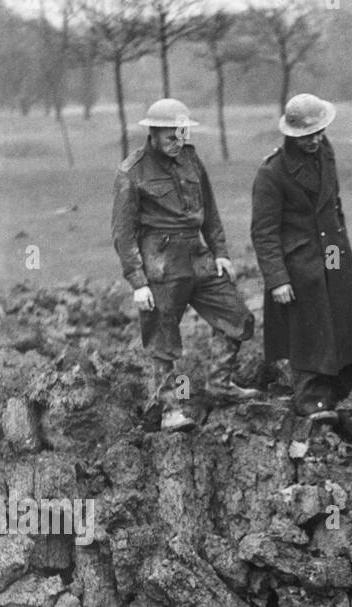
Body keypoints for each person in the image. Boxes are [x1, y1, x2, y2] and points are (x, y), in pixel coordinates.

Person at [112, 98, 256, 432]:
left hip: (199, 256)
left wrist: (220, 252)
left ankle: (221, 383)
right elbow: (123, 233)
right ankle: (171, 409)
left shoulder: (191, 159)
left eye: (182, 134)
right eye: (170, 136)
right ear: (154, 133)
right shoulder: (132, 171)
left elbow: (212, 211)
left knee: (236, 317)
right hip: (161, 263)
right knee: (163, 340)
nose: (177, 142)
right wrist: (138, 282)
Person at [251, 95, 352, 422]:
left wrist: (341, 241)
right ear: (291, 133)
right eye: (308, 135)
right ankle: (312, 397)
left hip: (331, 251)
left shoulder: (325, 152)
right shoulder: (272, 173)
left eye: (320, 132)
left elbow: (333, 201)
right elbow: (264, 232)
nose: (315, 140)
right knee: (308, 327)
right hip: (300, 261)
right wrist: (277, 279)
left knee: (342, 313)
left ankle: (347, 387)